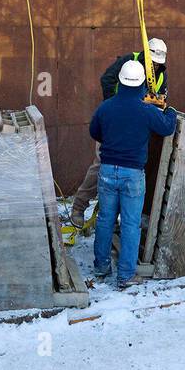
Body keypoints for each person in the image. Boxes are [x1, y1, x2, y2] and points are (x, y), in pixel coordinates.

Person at [90, 59, 177, 287]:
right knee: (130, 224)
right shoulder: (146, 110)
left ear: (120, 82)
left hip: (107, 170)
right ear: (140, 85)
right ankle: (126, 275)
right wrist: (171, 110)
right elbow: (167, 127)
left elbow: (94, 131)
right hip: (133, 174)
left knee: (105, 219)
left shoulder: (106, 107)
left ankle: (101, 267)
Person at [68, 38, 168, 232]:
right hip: (115, 122)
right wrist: (116, 107)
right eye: (153, 61)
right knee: (101, 165)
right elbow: (106, 79)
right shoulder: (129, 62)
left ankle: (111, 219)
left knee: (131, 171)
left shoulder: (161, 73)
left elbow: (162, 97)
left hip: (136, 127)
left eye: (158, 62)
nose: (155, 65)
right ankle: (79, 207)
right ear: (146, 54)